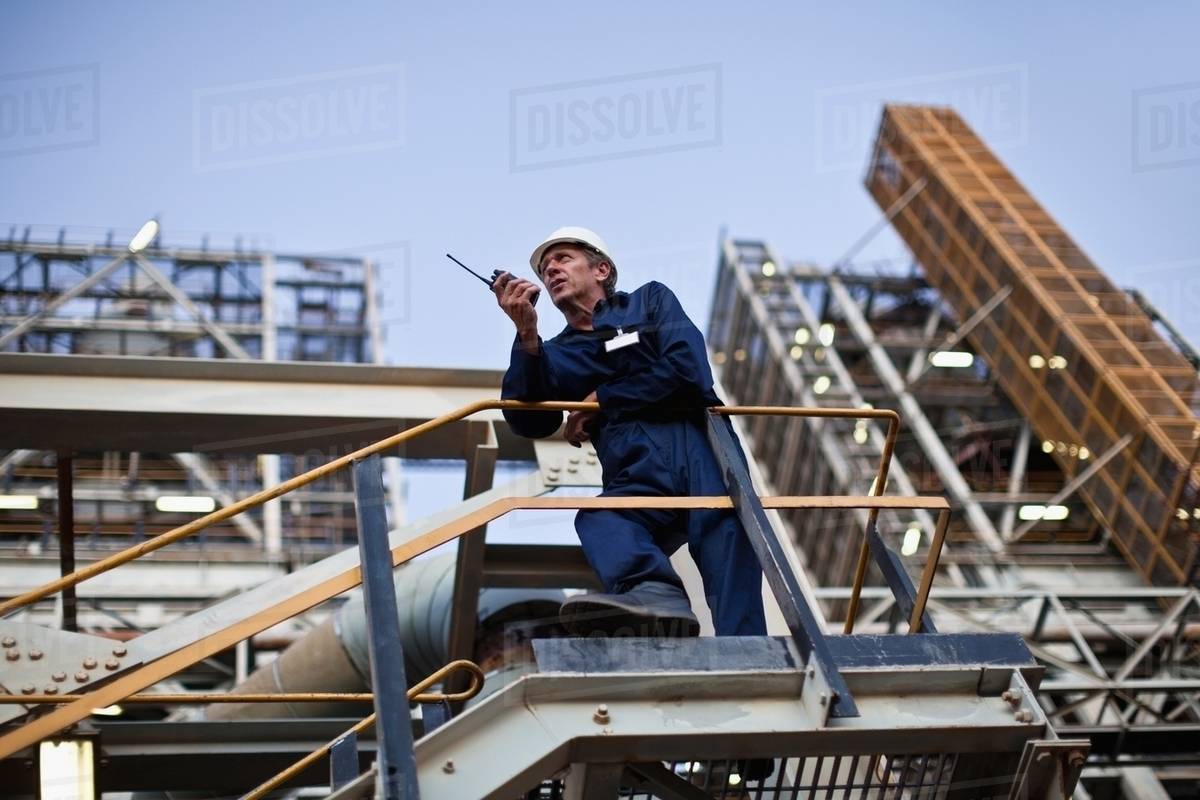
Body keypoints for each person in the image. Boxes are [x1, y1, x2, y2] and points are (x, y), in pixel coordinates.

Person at [493, 226, 766, 638]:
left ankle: (750, 655)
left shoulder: (648, 301)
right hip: (634, 468)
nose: (551, 271)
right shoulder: (558, 353)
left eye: (563, 259)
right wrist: (527, 335)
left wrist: (602, 398)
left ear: (601, 269)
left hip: (699, 447)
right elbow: (530, 421)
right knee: (604, 519)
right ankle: (655, 594)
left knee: (727, 548)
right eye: (545, 268)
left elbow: (689, 372)